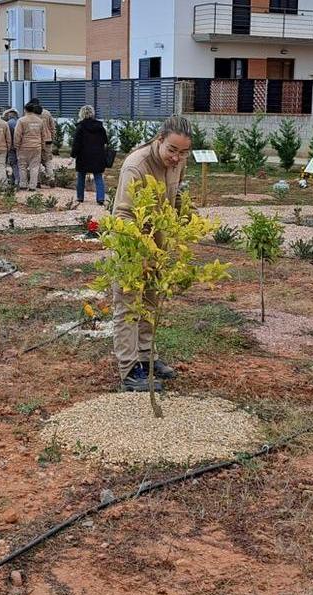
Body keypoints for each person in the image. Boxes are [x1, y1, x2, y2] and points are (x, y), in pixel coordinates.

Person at [110, 115, 192, 392]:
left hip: (158, 245)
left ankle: (146, 357)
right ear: (159, 141)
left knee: (150, 302)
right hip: (131, 246)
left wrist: (185, 219)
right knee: (128, 306)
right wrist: (139, 252)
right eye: (172, 150)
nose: (177, 158)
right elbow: (122, 214)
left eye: (183, 152)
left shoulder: (177, 163)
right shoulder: (136, 166)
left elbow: (175, 195)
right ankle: (129, 369)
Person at [70, 105, 109, 205]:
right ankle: (100, 198)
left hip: (83, 156)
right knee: (98, 177)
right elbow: (105, 141)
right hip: (98, 155)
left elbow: (76, 144)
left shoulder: (80, 127)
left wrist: (73, 155)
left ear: (81, 114)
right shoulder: (100, 127)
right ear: (93, 113)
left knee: (81, 176)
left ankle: (80, 197)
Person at [13, 102, 46, 190]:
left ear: (25, 110)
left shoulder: (21, 120)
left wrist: (16, 145)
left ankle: (23, 184)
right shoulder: (40, 121)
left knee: (22, 166)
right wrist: (42, 146)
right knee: (34, 167)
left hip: (24, 147)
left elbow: (17, 134)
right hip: (36, 147)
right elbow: (43, 135)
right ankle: (32, 186)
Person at [30, 99, 55, 186]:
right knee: (48, 160)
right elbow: (52, 127)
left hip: (36, 140)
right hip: (48, 140)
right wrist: (52, 138)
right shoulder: (47, 113)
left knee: (36, 161)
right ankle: (51, 177)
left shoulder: (31, 115)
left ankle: (37, 181)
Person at [4, 109, 19, 185]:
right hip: (20, 146)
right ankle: (13, 179)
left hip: (11, 146)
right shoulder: (19, 122)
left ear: (9, 116)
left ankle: (17, 180)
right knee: (18, 163)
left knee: (13, 163)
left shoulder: (7, 124)